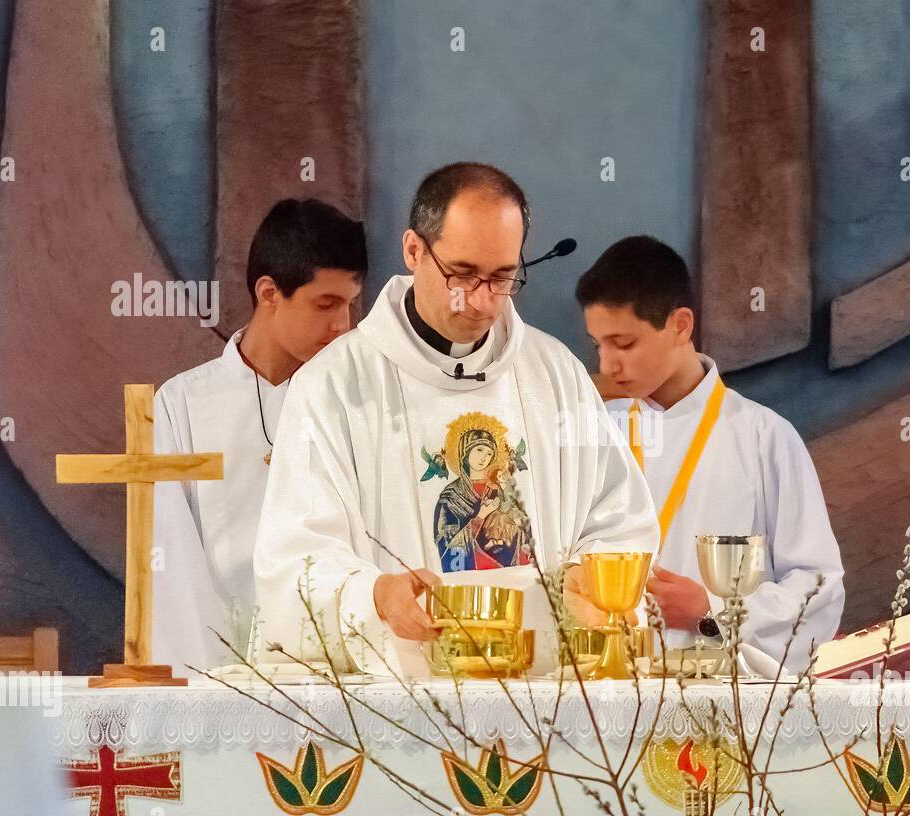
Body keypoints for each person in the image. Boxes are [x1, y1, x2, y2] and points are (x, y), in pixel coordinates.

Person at [253, 163, 658, 676]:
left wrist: (588, 574)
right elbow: (296, 557)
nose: (483, 299)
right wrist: (374, 595)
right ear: (414, 250)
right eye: (463, 274)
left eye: (503, 277)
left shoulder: (555, 374)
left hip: (545, 696)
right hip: (404, 705)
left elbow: (619, 518)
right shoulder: (335, 384)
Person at [577, 235, 845, 674]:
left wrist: (714, 608)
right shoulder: (595, 430)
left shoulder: (763, 437)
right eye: (597, 345)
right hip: (605, 691)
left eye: (623, 344)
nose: (608, 366)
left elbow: (820, 587)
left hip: (720, 701)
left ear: (681, 325)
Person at [152, 198, 366, 674]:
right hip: (219, 671)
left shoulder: (355, 401)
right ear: (269, 292)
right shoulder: (182, 405)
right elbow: (175, 566)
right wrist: (208, 684)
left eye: (351, 304)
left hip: (334, 672)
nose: (342, 325)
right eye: (326, 304)